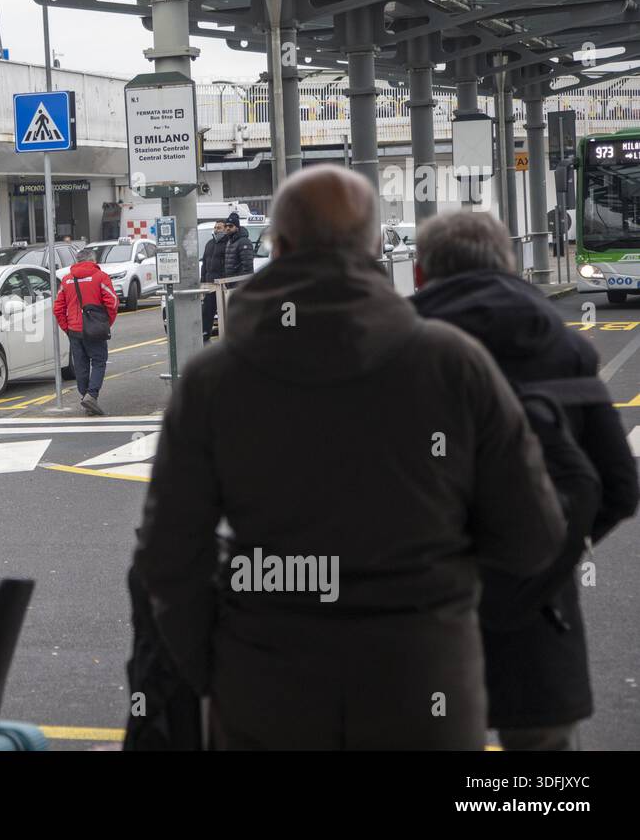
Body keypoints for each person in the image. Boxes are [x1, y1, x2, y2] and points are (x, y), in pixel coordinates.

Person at [131, 165, 567, 750]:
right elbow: (534, 536)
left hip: (265, 687)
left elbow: (167, 555)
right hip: (423, 681)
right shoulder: (454, 363)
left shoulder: (214, 379)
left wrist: (217, 664)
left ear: (279, 247)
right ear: (378, 248)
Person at [411, 211, 639, 751]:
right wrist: (555, 547)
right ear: (509, 266)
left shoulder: (395, 344)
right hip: (539, 598)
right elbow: (620, 485)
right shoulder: (560, 341)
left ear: (419, 275)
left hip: (424, 607)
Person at [54, 247, 118, 417]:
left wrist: (66, 327)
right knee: (99, 361)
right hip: (95, 329)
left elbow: (58, 308)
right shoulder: (100, 277)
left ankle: (86, 398)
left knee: (81, 366)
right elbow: (112, 302)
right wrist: (106, 323)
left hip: (74, 329)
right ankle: (92, 395)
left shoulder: (67, 280)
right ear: (92, 260)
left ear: (78, 261)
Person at [199, 219, 228, 342]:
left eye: (219, 228)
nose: (216, 230)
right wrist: (203, 279)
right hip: (209, 282)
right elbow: (204, 263)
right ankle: (205, 333)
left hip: (221, 283)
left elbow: (228, 263)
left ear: (225, 229)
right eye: (215, 227)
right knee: (207, 309)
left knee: (223, 311)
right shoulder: (209, 243)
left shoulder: (228, 243)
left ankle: (226, 335)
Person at [222, 211, 254, 280]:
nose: (228, 228)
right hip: (230, 281)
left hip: (240, 282)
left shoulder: (244, 242)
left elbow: (247, 266)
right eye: (226, 226)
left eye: (231, 226)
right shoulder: (229, 241)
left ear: (237, 227)